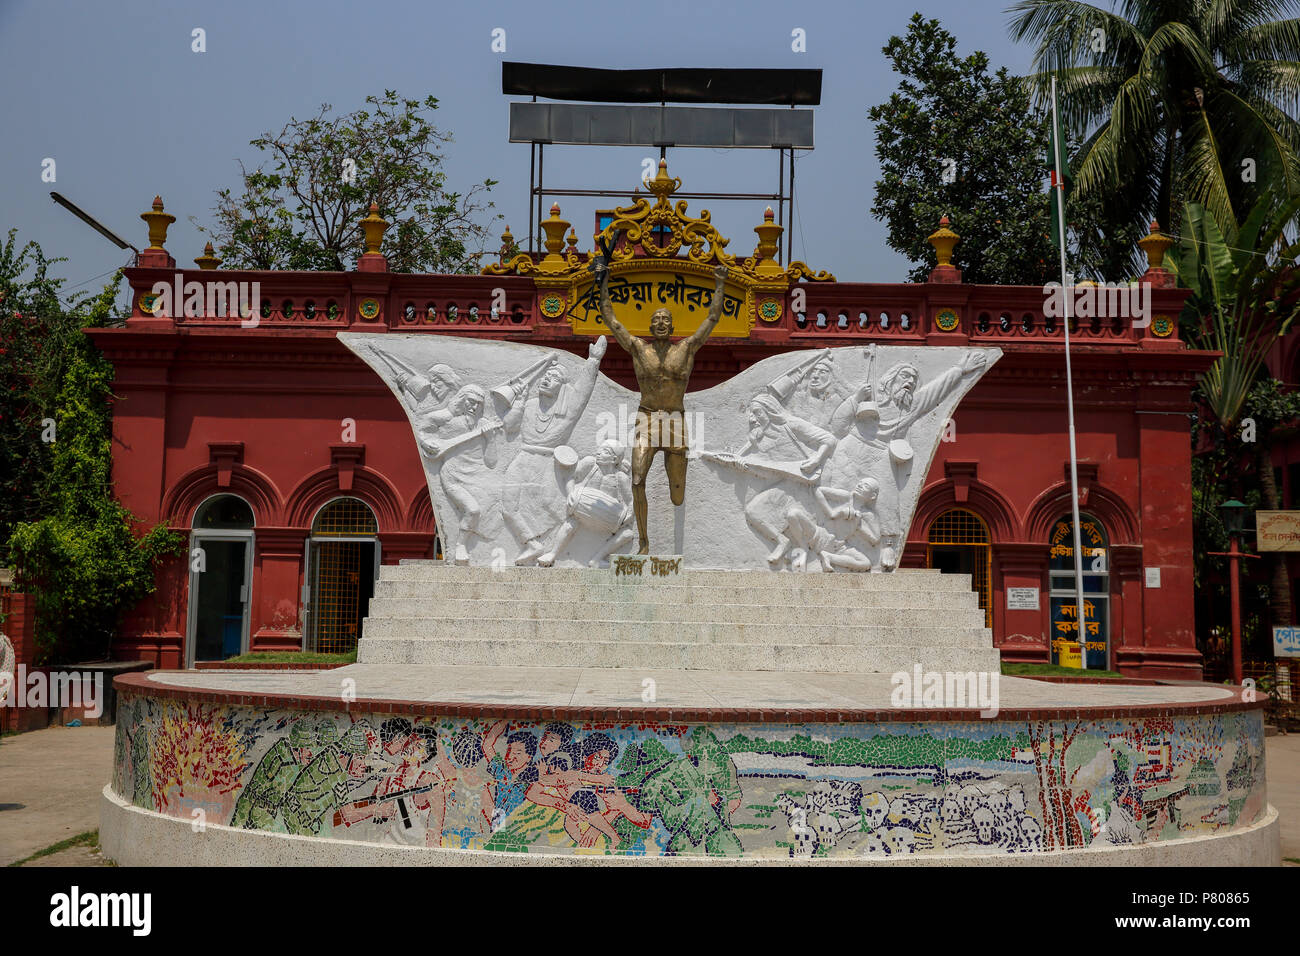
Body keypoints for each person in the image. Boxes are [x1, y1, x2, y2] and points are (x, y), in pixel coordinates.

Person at [596, 260, 728, 553]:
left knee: (677, 494)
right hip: (647, 418)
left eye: (665, 320)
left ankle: (675, 534)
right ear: (650, 325)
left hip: (675, 422)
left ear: (672, 326)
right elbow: (611, 319)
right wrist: (601, 281)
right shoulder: (637, 348)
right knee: (637, 478)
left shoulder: (687, 349)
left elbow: (712, 318)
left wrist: (720, 285)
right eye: (656, 319)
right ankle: (644, 542)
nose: (660, 323)